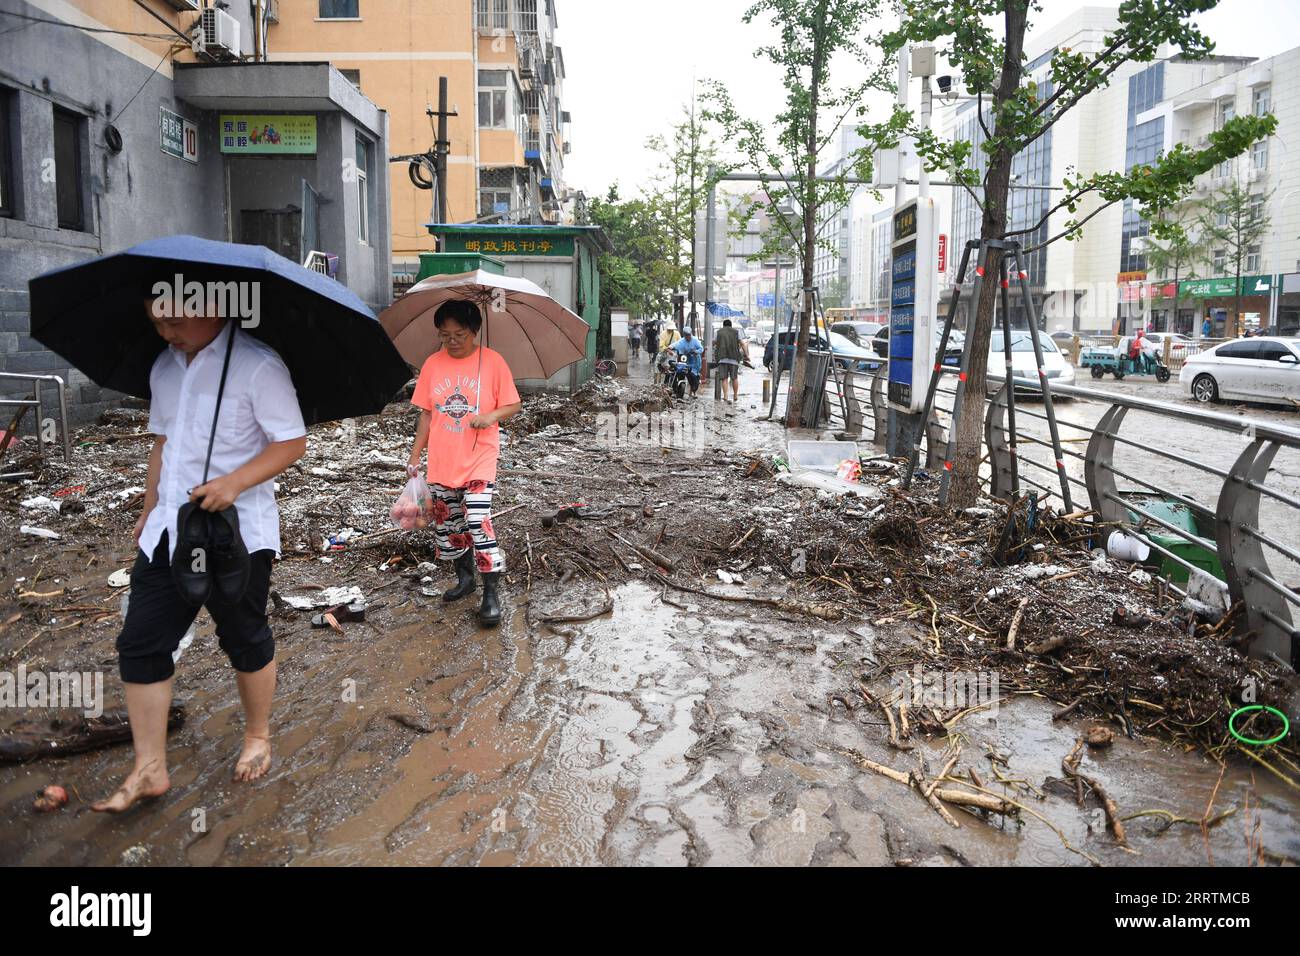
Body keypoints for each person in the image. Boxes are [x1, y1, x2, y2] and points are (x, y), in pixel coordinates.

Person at [94, 295, 308, 812]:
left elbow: (291, 441)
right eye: (157, 322)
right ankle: (149, 767)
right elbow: (164, 443)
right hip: (170, 531)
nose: (167, 332)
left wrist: (234, 482)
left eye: (175, 320)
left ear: (214, 307)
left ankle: (257, 734)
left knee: (244, 635)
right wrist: (150, 508)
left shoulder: (258, 365)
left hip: (236, 534)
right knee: (141, 642)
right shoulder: (165, 367)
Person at [406, 300, 522, 627]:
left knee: (478, 519)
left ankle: (490, 593)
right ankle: (465, 578)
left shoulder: (493, 362)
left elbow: (513, 404)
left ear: (475, 331)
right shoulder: (432, 364)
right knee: (451, 524)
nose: (452, 341)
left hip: (479, 457)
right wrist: (416, 454)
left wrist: (490, 416)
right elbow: (427, 414)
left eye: (460, 334)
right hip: (443, 458)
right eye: (445, 335)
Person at [712, 319, 749, 403]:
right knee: (734, 378)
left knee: (724, 378)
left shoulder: (718, 332)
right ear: (731, 325)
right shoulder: (736, 332)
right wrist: (746, 355)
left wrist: (711, 350)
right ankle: (735, 395)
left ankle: (725, 396)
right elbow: (743, 343)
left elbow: (713, 342)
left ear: (723, 325)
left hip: (722, 359)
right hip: (734, 359)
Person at [673, 328, 704, 398]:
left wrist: (696, 351)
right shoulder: (681, 341)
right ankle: (685, 391)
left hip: (695, 361)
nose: (688, 337)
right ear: (684, 335)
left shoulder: (695, 340)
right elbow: (675, 345)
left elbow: (701, 349)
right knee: (685, 374)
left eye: (689, 335)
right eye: (686, 335)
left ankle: (693, 391)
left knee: (694, 376)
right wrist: (670, 348)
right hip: (686, 360)